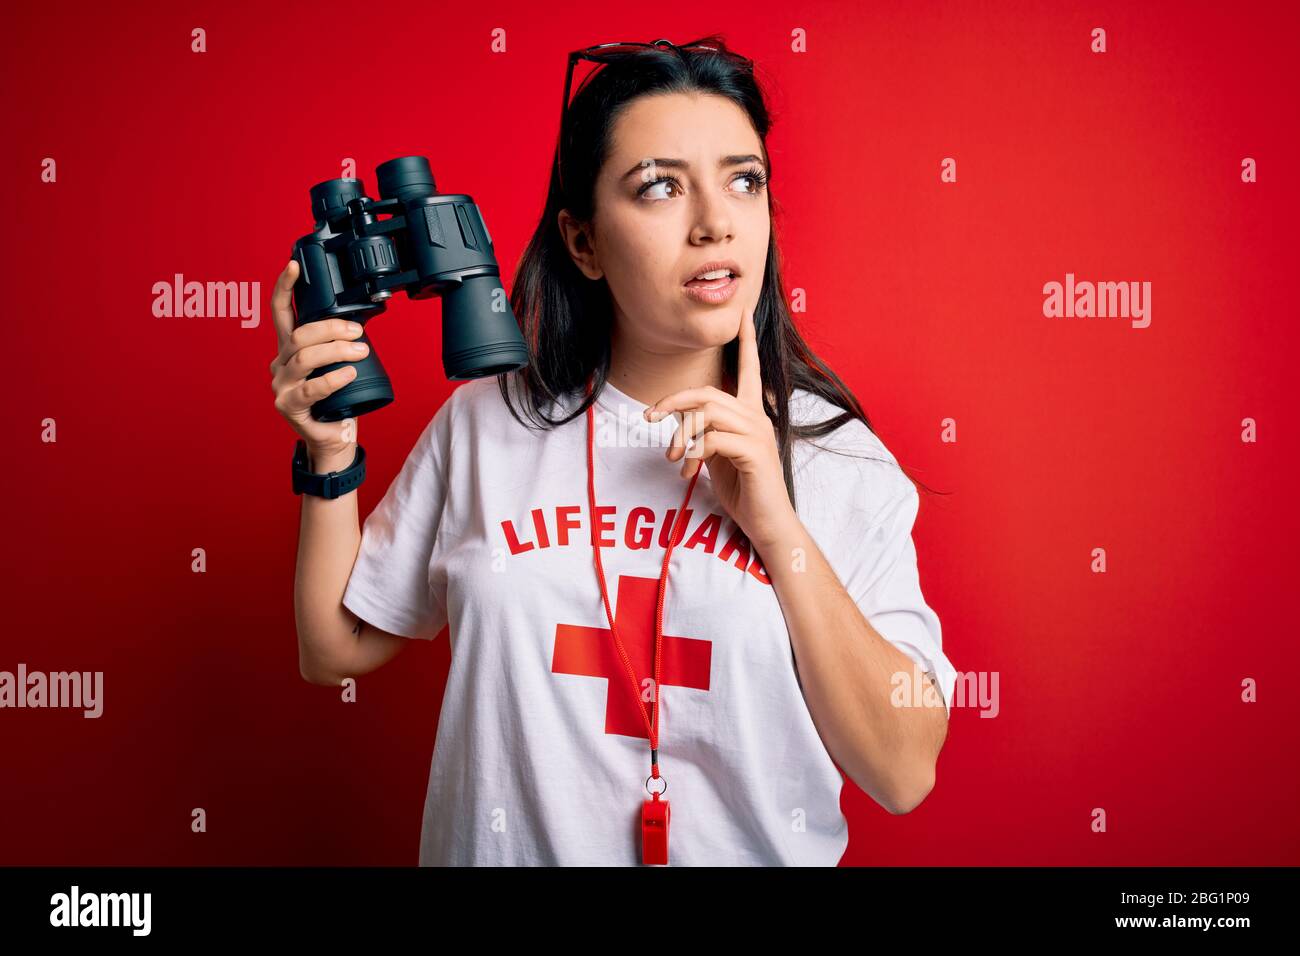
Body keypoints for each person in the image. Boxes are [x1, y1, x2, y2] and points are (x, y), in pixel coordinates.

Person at [268, 35, 958, 866]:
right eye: (659, 187)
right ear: (583, 242)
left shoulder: (838, 461)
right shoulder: (487, 427)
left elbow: (904, 769)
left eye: (745, 180)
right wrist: (331, 447)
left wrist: (778, 530)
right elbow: (333, 647)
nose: (714, 222)